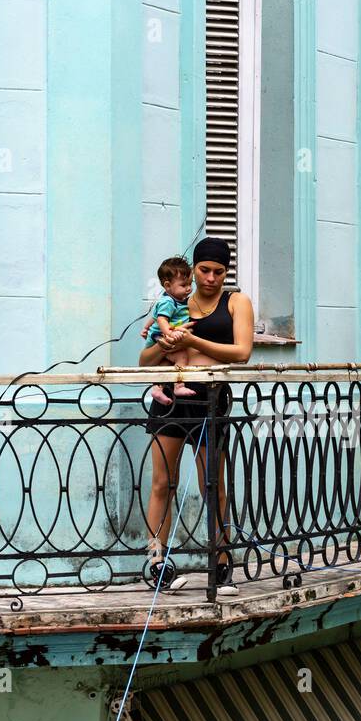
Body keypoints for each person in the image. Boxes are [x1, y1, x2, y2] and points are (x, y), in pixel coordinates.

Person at [139, 236, 254, 593]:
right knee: (162, 482)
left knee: (213, 485)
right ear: (194, 268)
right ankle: (157, 562)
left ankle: (220, 563)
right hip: (173, 398)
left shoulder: (236, 301)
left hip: (212, 398)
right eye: (204, 270)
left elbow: (242, 351)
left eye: (219, 271)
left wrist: (192, 343)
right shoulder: (175, 301)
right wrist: (165, 344)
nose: (210, 278)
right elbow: (143, 361)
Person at [142, 256, 198, 404]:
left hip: (158, 334)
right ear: (167, 285)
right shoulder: (168, 301)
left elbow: (155, 316)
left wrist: (146, 327)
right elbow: (161, 319)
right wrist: (170, 334)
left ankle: (157, 390)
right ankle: (179, 386)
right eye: (183, 285)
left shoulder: (174, 299)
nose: (188, 288)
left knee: (165, 365)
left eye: (190, 284)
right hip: (162, 336)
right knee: (182, 358)